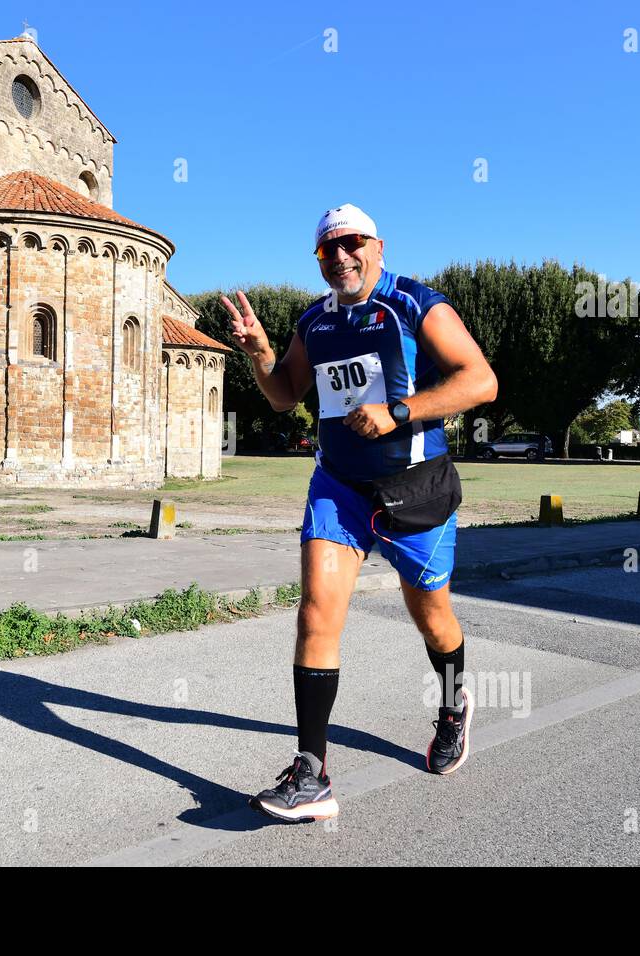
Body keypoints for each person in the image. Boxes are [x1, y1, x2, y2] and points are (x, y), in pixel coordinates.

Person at [221, 204, 498, 821]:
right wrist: (261, 352)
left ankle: (453, 705)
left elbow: (481, 381)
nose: (340, 257)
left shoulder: (416, 305)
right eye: (326, 250)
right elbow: (284, 396)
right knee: (316, 612)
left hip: (415, 487)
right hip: (339, 488)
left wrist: (399, 412)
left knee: (435, 622)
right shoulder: (314, 322)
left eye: (351, 244)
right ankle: (312, 773)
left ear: (378, 246)